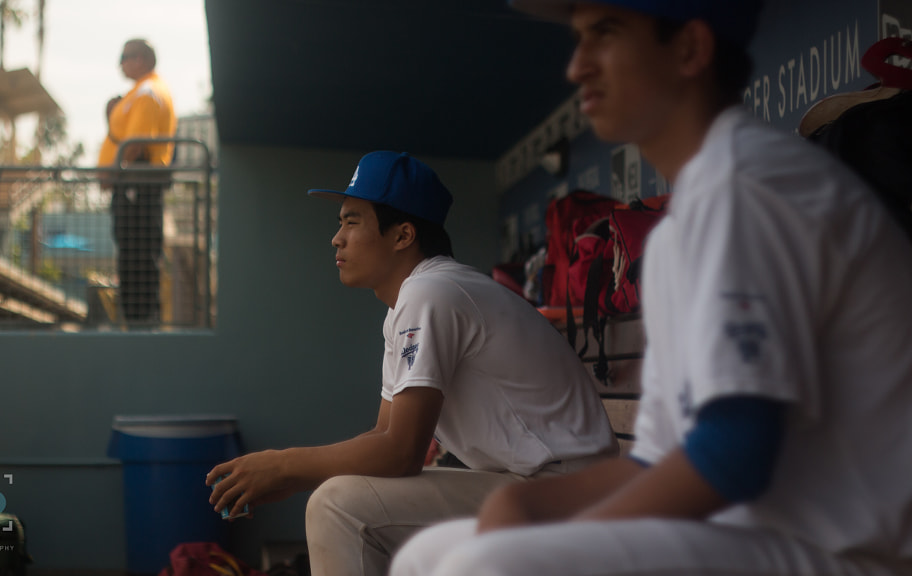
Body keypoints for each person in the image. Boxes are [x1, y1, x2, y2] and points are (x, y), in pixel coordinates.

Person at [390, 2, 912, 576]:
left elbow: (734, 455)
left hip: (847, 553)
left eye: (605, 34)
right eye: (579, 37)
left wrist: (560, 538)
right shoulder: (685, 222)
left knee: (482, 566)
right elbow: (655, 460)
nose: (577, 66)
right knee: (427, 554)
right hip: (755, 536)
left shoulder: (750, 187)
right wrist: (526, 502)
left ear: (689, 49)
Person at [206, 150, 618, 576]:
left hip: (567, 493)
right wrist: (288, 475)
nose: (336, 238)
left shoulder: (431, 292)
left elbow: (400, 453)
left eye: (352, 221)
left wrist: (285, 466)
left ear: (403, 235)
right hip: (541, 484)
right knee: (342, 495)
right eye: (340, 223)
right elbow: (385, 436)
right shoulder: (414, 299)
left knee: (337, 505)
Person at [98, 38, 177, 323]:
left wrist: (111, 173)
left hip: (139, 187)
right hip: (133, 186)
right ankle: (136, 321)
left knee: (138, 259)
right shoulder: (139, 91)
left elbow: (136, 144)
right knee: (132, 259)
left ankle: (141, 324)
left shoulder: (147, 91)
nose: (121, 63)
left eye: (126, 56)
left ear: (142, 59)